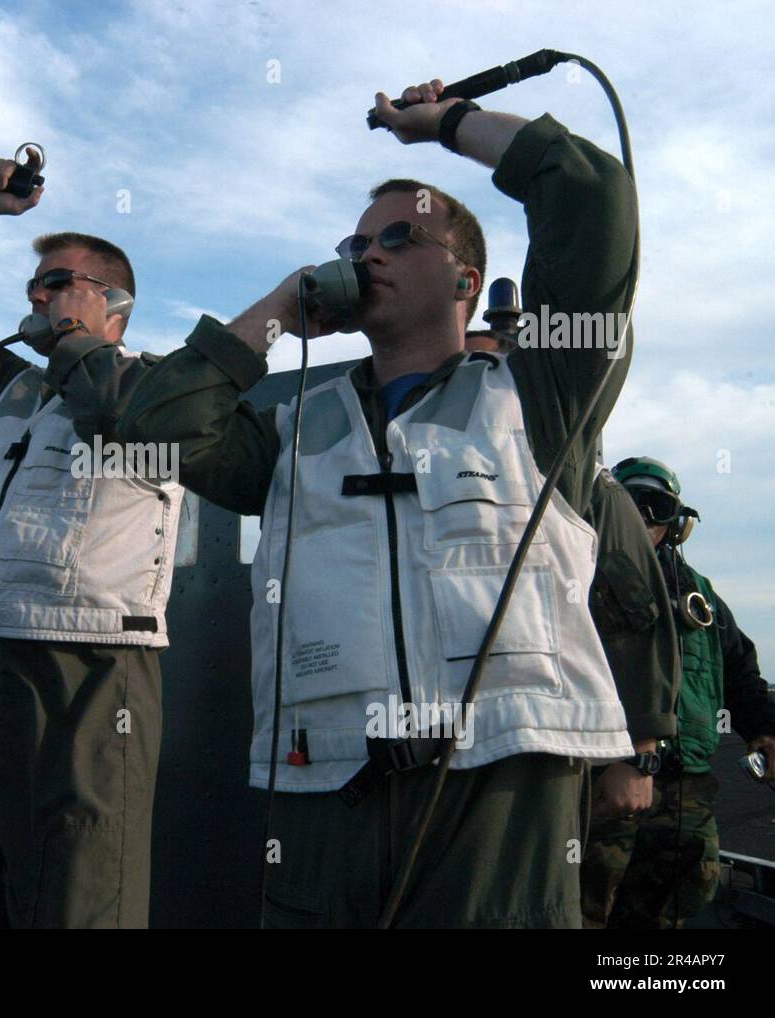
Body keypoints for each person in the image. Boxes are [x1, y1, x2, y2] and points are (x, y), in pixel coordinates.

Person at [120, 79, 638, 927]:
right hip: (323, 796)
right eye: (356, 244)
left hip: (499, 799)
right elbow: (154, 429)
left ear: (467, 276)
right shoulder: (292, 430)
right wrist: (283, 312)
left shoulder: (538, 394)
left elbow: (592, 195)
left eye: (402, 236)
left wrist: (444, 126)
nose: (371, 256)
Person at [0, 151, 183, 928]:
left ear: (114, 303)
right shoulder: (9, 387)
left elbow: (121, 413)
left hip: (85, 668)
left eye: (59, 282)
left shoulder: (156, 385)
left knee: (80, 895)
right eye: (36, 284)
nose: (38, 294)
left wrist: (72, 344)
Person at [466, 327, 679, 824]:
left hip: (569, 748)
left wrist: (638, 754)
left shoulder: (592, 490)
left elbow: (637, 616)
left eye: (484, 368)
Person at [580, 456, 775, 928]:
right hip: (604, 784)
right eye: (631, 504)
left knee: (678, 898)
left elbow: (740, 673)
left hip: (688, 788)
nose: (643, 519)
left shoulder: (702, 597)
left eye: (657, 506)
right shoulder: (577, 580)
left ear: (678, 523)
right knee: (585, 903)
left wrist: (765, 731)